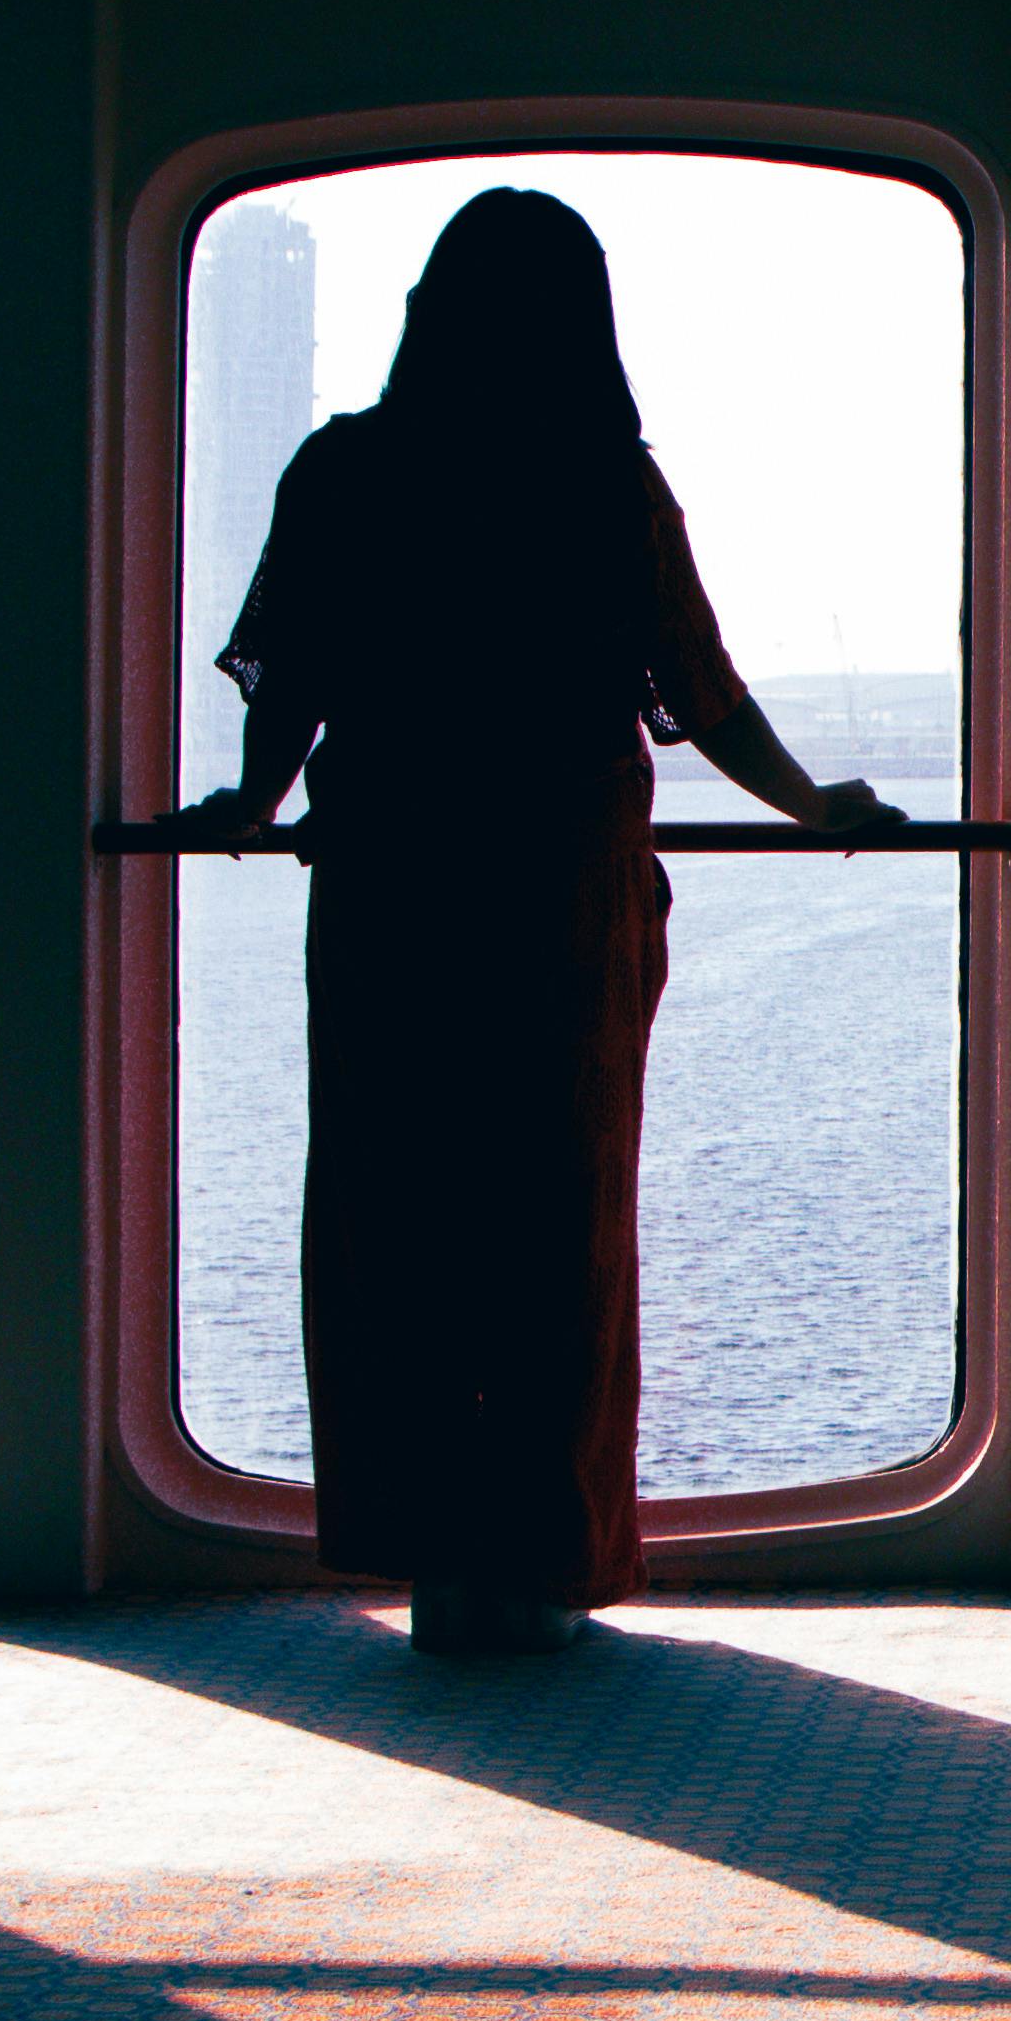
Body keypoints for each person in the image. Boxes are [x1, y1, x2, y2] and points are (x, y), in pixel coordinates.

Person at [183, 187, 891, 1655]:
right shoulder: (605, 481)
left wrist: (252, 808)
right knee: (560, 1223)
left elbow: (292, 686)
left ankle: (433, 1564)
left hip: (392, 883)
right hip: (564, 891)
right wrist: (815, 808)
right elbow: (706, 694)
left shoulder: (347, 471)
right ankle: (545, 1564)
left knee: (399, 1217)